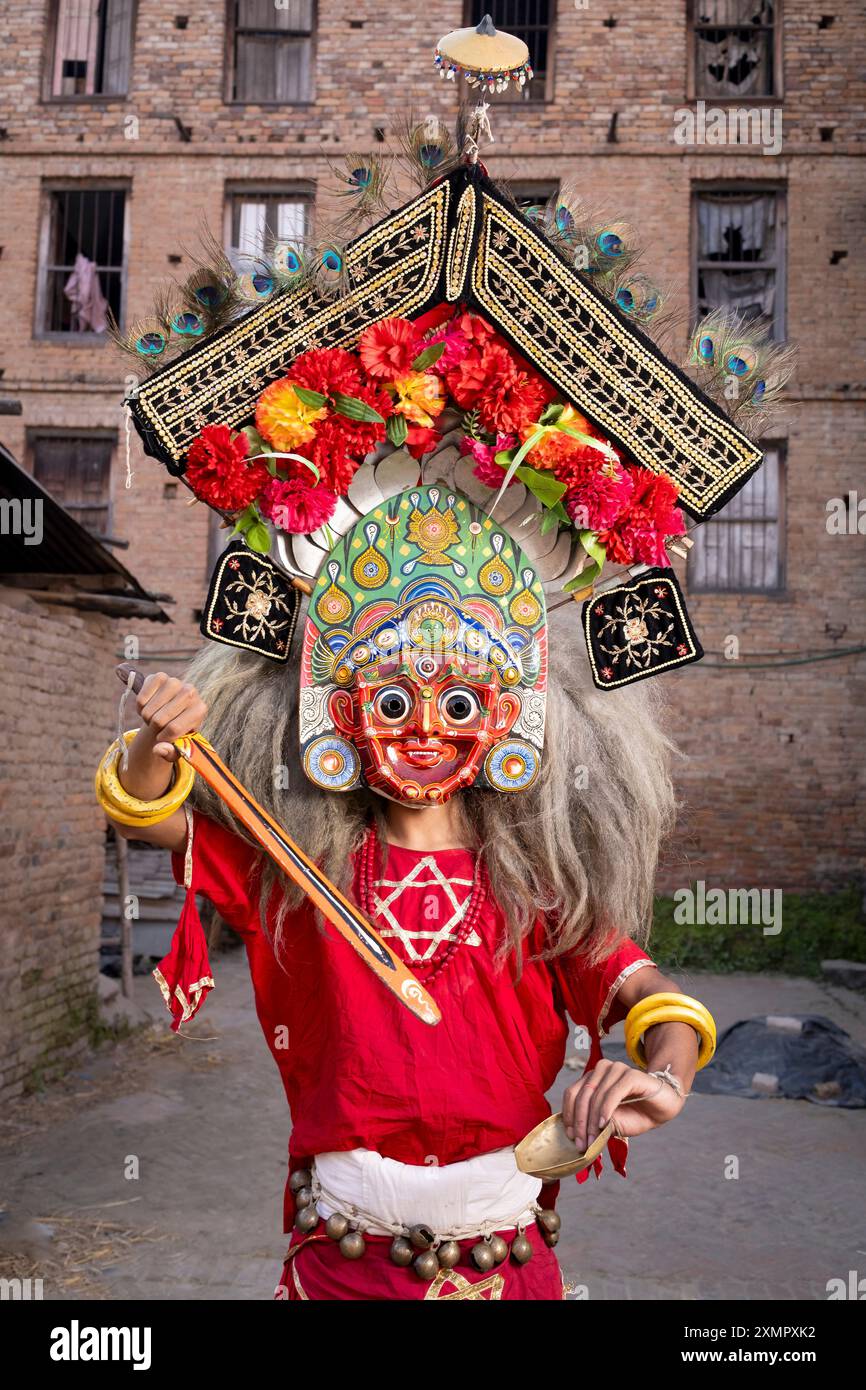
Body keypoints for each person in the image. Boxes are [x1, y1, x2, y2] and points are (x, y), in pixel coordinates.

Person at [102, 599, 706, 1302]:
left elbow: (655, 1000)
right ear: (343, 717)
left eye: (457, 703)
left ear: (506, 720)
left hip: (504, 1263)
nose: (424, 727)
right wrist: (159, 739)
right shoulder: (296, 872)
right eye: (393, 699)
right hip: (340, 1261)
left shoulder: (536, 886)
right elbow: (144, 812)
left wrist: (664, 1081)